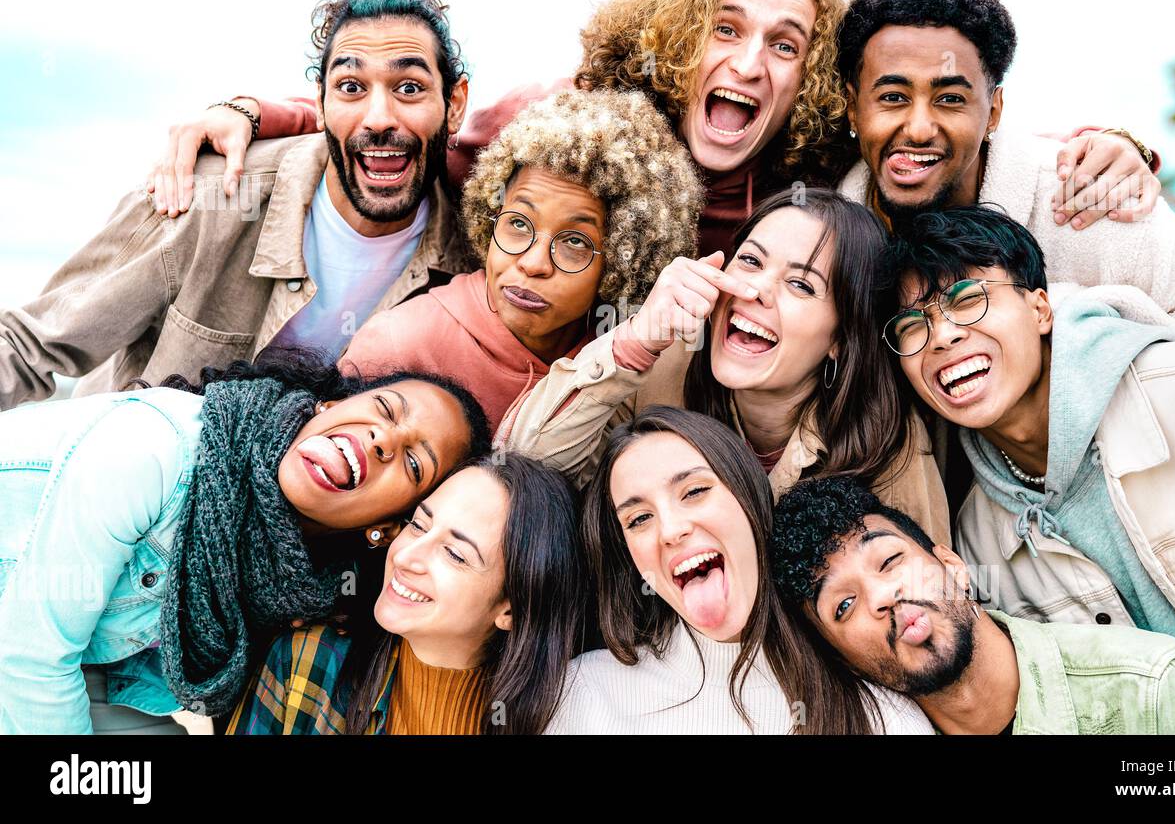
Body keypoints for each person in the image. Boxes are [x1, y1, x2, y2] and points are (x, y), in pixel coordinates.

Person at [149, 0, 1156, 255]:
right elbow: (408, 123)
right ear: (677, 41)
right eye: (725, 29)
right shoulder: (572, 119)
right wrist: (256, 112)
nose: (750, 62)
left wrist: (1116, 144)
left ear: (810, 81)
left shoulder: (816, 170)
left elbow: (946, 121)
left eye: (784, 45)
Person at [881, 205, 1175, 734]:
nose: (941, 337)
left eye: (967, 301)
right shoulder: (980, 543)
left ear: (1040, 310)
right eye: (913, 326)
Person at [0, 0, 477, 410]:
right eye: (351, 86)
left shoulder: (477, 251)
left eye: (410, 87)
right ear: (321, 103)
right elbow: (28, 347)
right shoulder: (203, 198)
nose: (378, 118)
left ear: (454, 104)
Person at [836, 0, 1175, 388]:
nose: (918, 128)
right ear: (853, 106)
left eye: (951, 99)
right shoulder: (828, 238)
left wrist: (1077, 322)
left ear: (993, 111)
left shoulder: (1090, 200)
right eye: (893, 97)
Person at [0, 350, 491, 734]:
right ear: (331, 405)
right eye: (385, 408)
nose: (386, 439)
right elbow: (27, 658)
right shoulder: (153, 449)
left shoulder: (297, 586)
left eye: (413, 464)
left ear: (385, 528)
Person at [504, 188, 948, 541]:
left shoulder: (886, 436)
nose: (755, 290)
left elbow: (922, 600)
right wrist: (632, 342)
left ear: (841, 339)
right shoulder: (662, 367)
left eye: (800, 284)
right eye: (750, 261)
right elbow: (526, 470)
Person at [545, 406, 931, 734]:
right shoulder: (582, 695)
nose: (671, 530)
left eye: (694, 492)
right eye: (639, 518)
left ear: (750, 499)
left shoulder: (881, 714)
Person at [338, 88, 701, 433]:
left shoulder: (628, 363)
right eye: (518, 224)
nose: (533, 263)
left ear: (622, 263)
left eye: (574, 241)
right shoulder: (396, 344)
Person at [770, 475, 1175, 735]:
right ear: (842, 660)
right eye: (844, 604)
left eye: (890, 560)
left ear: (953, 565)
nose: (881, 596)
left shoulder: (1158, 687)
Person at [229, 453, 586, 735]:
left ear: (512, 610)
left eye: (455, 554)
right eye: (418, 525)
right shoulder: (308, 661)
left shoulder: (564, 721)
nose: (405, 555)